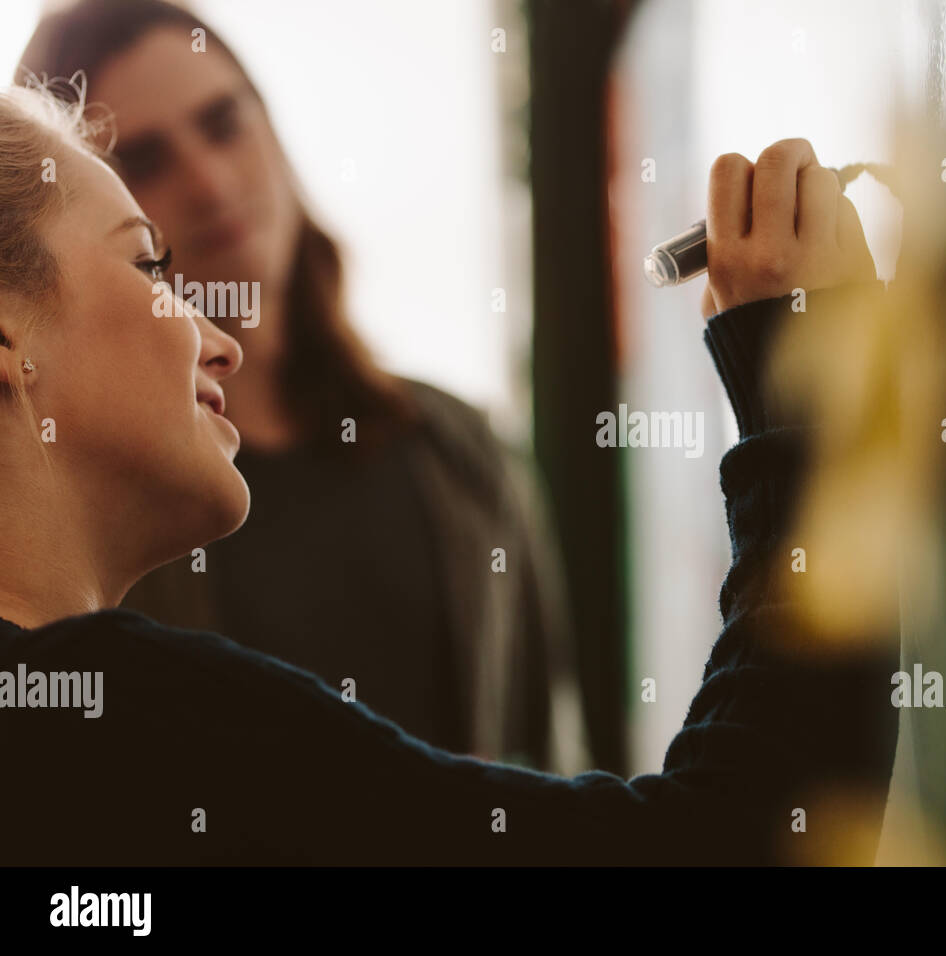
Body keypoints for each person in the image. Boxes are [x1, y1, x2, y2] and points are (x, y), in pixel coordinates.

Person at [0, 72, 897, 864]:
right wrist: (809, 400)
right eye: (149, 267)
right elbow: (726, 847)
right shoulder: (130, 720)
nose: (219, 344)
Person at [16, 0, 586, 773]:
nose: (212, 185)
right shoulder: (104, 515)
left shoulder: (458, 449)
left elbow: (549, 758)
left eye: (224, 124)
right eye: (145, 161)